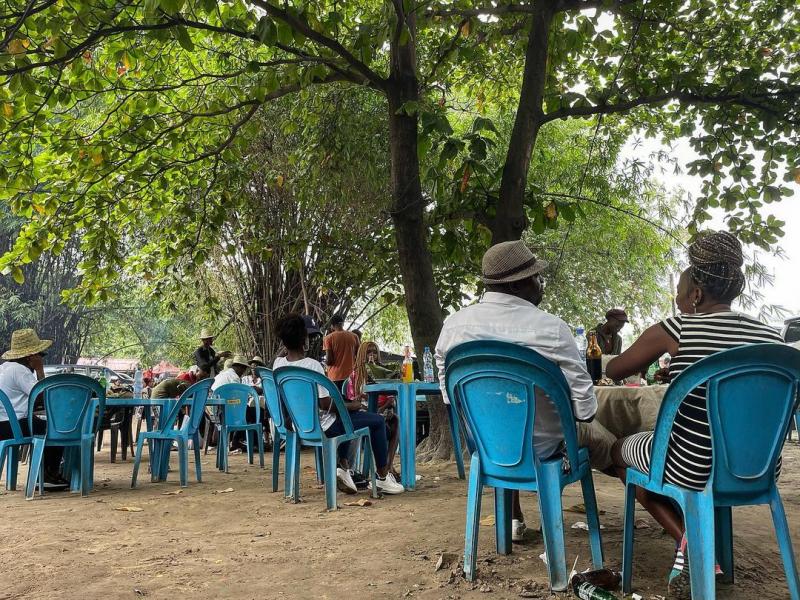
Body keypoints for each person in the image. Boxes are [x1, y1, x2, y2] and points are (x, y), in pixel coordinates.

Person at [607, 231, 783, 599]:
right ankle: (697, 532)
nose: (679, 298)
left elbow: (618, 370)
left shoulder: (678, 327)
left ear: (697, 295)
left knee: (619, 450)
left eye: (682, 291)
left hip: (691, 464)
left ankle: (688, 537)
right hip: (757, 468)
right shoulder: (773, 339)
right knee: (663, 452)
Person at [435, 240, 610, 542]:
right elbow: (585, 409)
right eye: (536, 277)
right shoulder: (551, 328)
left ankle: (514, 518)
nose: (541, 283)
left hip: (487, 448)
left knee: (508, 424)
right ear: (517, 284)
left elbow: (449, 392)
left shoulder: (454, 326)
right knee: (609, 442)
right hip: (548, 452)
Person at [274, 313, 404, 495]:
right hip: (325, 425)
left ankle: (343, 467)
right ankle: (382, 477)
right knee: (376, 421)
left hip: (299, 425)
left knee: (351, 418)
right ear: (304, 339)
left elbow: (284, 355)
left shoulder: (278, 365)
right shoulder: (313, 366)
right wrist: (354, 405)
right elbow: (326, 404)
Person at [0, 329, 66, 487]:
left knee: (43, 425)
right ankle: (48, 475)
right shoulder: (20, 371)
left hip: (3, 425)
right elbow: (42, 395)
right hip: (14, 426)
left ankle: (47, 473)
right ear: (31, 356)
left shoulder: (4, 367)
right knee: (57, 429)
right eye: (40, 355)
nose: (41, 358)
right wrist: (39, 370)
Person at [345, 341, 401, 478]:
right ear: (362, 355)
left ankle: (388, 467)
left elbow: (390, 399)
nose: (372, 355)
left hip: (382, 410)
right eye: (369, 352)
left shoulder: (384, 372)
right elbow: (353, 400)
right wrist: (369, 409)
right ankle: (349, 470)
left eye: (375, 352)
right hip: (362, 412)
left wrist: (380, 410)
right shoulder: (355, 375)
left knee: (395, 420)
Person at [323, 314, 359, 392]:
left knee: (337, 402)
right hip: (350, 376)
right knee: (349, 401)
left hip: (334, 376)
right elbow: (359, 356)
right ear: (342, 323)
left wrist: (324, 363)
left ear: (332, 326)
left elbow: (329, 361)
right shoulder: (354, 336)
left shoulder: (328, 338)